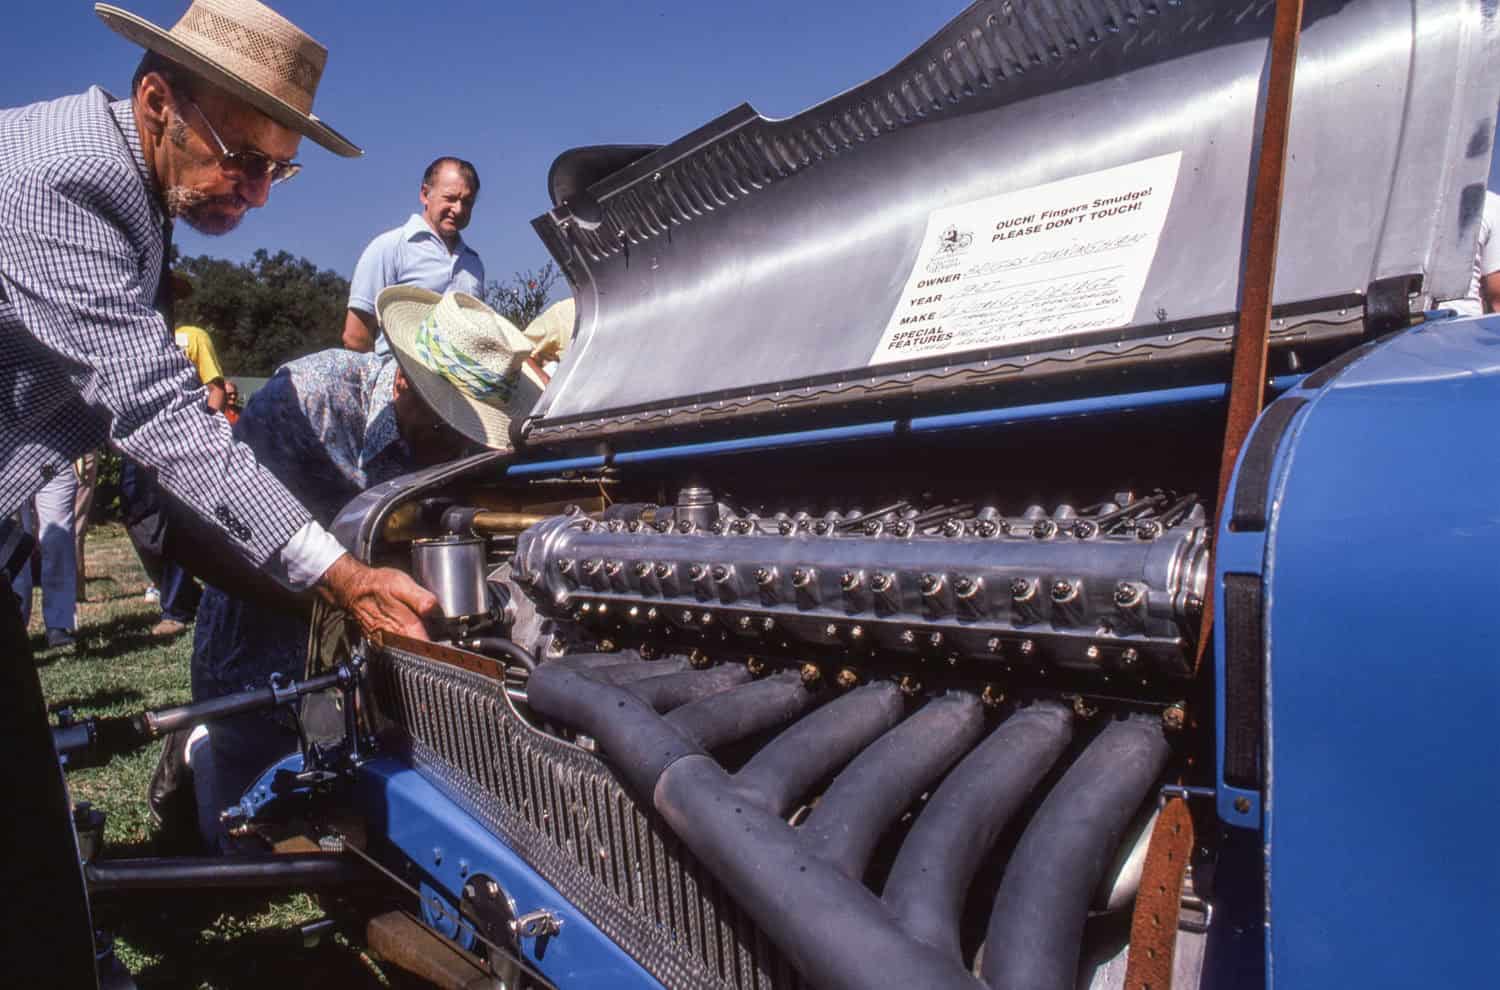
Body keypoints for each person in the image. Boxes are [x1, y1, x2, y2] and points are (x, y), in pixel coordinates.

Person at [0, 4, 439, 976]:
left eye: (278, 169)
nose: (258, 195)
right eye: (242, 159)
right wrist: (339, 574)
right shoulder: (54, 182)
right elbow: (158, 411)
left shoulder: (127, 178)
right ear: (157, 101)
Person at [192, 288, 540, 849]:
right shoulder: (307, 397)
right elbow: (225, 536)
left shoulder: (461, 445)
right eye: (448, 423)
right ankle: (199, 755)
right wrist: (339, 591)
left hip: (375, 646)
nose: (458, 442)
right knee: (249, 836)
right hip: (262, 633)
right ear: (404, 381)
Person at [342, 157, 485, 354]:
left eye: (467, 202)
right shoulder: (390, 247)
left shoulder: (473, 264)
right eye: (450, 198)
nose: (458, 209)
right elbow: (355, 337)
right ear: (425, 194)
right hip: (393, 379)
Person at [12, 468, 79, 649]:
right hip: (8, 456)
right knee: (14, 543)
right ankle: (15, 625)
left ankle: (59, 624)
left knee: (59, 540)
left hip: (55, 455)